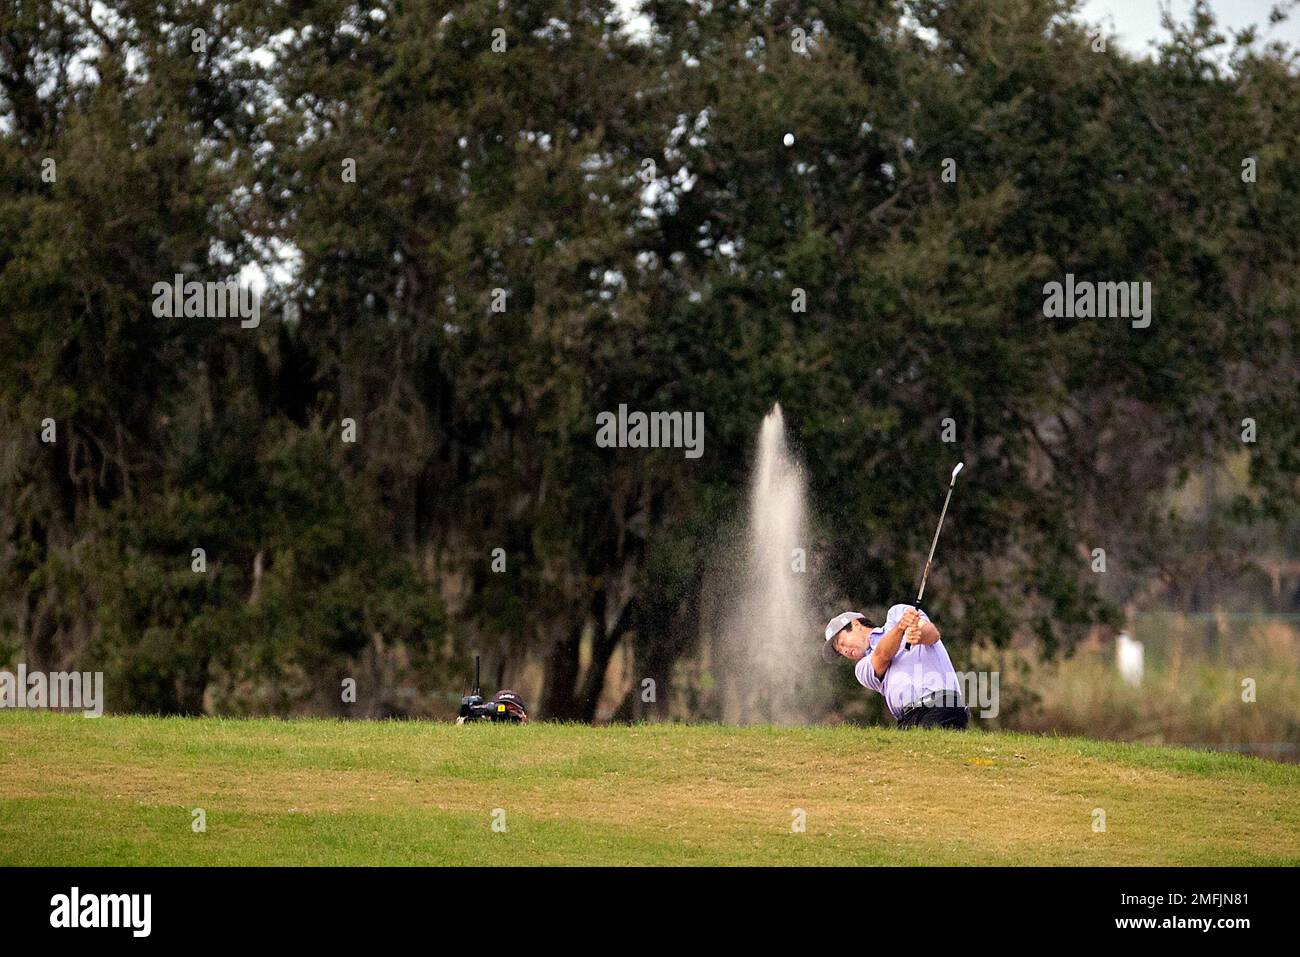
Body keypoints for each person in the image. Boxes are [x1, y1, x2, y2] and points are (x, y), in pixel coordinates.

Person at [821, 605, 969, 729]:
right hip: (907, 720)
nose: (844, 651)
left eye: (841, 642)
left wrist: (918, 634)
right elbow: (882, 655)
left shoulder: (897, 613)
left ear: (856, 625)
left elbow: (932, 634)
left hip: (941, 705)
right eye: (840, 652)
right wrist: (900, 629)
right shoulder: (862, 668)